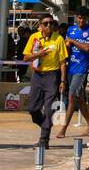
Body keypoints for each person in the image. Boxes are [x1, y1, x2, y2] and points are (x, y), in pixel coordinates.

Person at [22, 14, 68, 148]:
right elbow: (26, 58)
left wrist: (62, 81)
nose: (49, 26)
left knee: (49, 109)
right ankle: (45, 124)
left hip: (52, 76)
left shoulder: (58, 39)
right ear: (40, 26)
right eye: (46, 23)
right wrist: (39, 54)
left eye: (51, 23)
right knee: (32, 108)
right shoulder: (34, 37)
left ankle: (44, 140)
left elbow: (63, 62)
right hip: (37, 75)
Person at [57, 9, 89, 138]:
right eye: (79, 18)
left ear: (87, 18)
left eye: (83, 18)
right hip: (70, 68)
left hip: (81, 69)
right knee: (79, 99)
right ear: (76, 18)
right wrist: (67, 44)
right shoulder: (71, 30)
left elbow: (87, 48)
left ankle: (63, 129)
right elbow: (66, 45)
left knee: (71, 96)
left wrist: (73, 41)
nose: (81, 20)